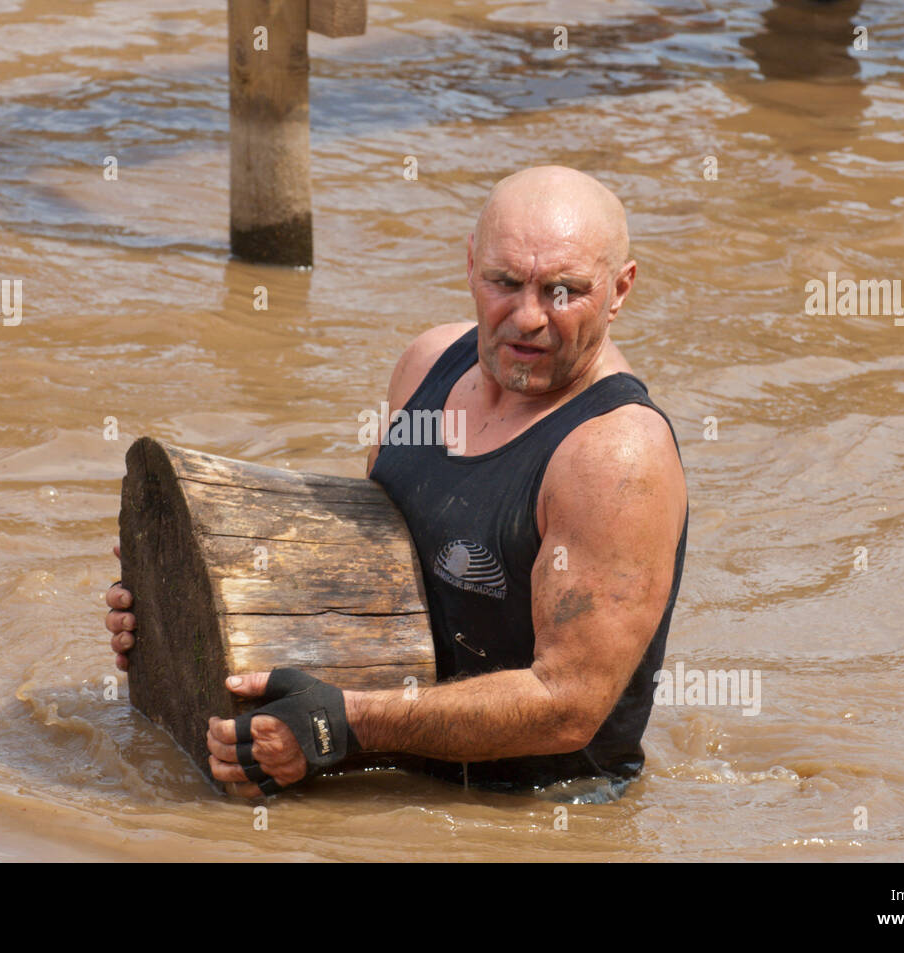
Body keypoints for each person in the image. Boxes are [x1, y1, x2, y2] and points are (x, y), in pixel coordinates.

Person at [105, 165, 689, 802]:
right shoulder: (426, 364)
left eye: (563, 291)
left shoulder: (615, 457)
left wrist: (342, 724)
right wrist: (178, 594)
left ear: (620, 289)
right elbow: (368, 569)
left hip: (531, 811)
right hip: (383, 761)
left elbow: (567, 705)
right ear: (471, 265)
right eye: (504, 282)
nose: (527, 317)